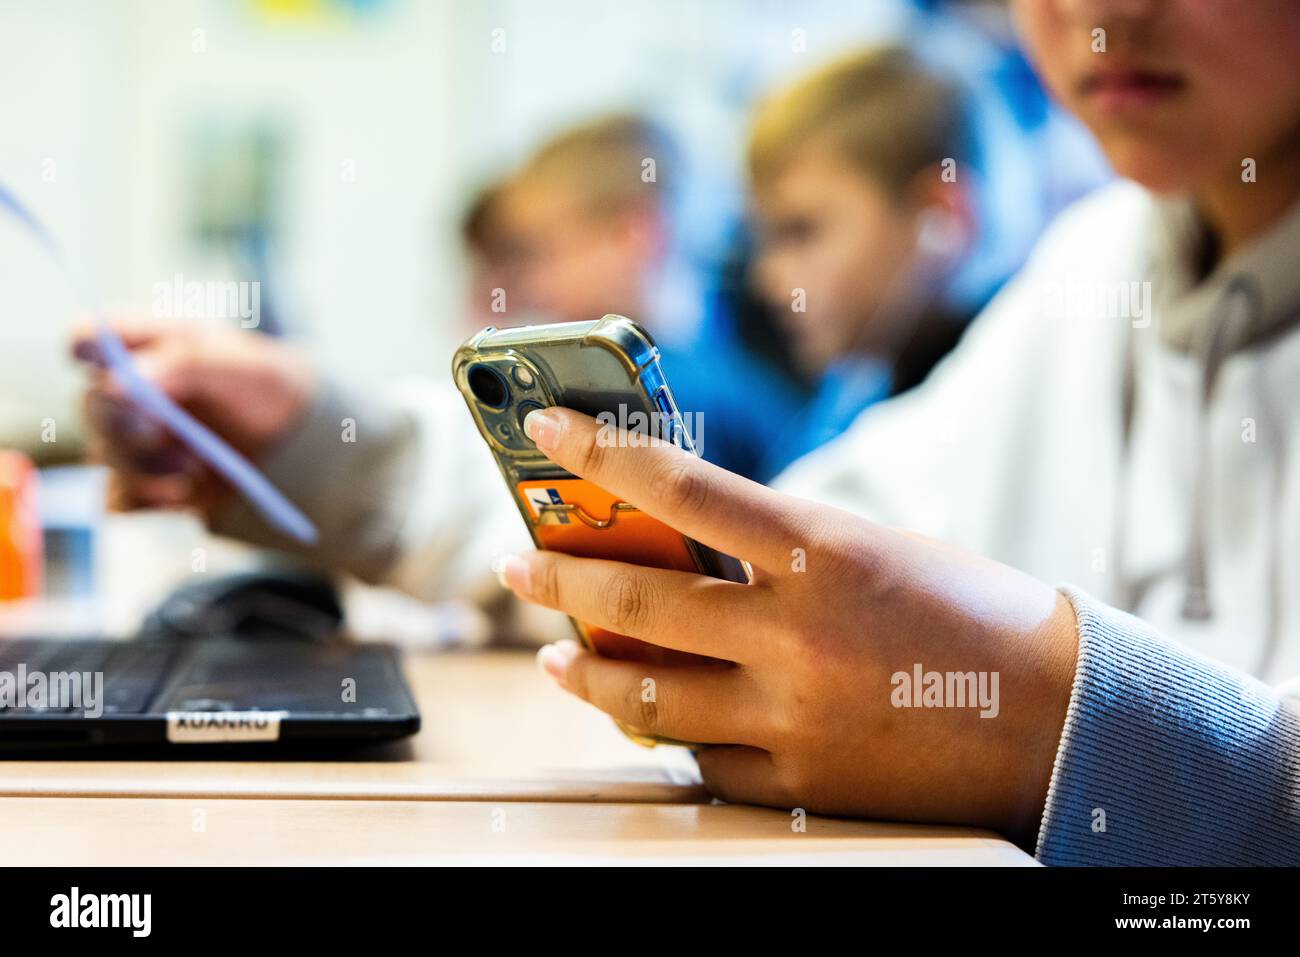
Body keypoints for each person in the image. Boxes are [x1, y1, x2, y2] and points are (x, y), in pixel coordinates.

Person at [75, 0, 1300, 865]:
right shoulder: (1092, 278)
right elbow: (761, 559)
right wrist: (315, 445)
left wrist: (1067, 734)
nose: (1099, 12)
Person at [745, 46, 979, 472]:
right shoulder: (848, 400)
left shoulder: (989, 407)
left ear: (939, 216)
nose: (768, 280)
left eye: (802, 231)